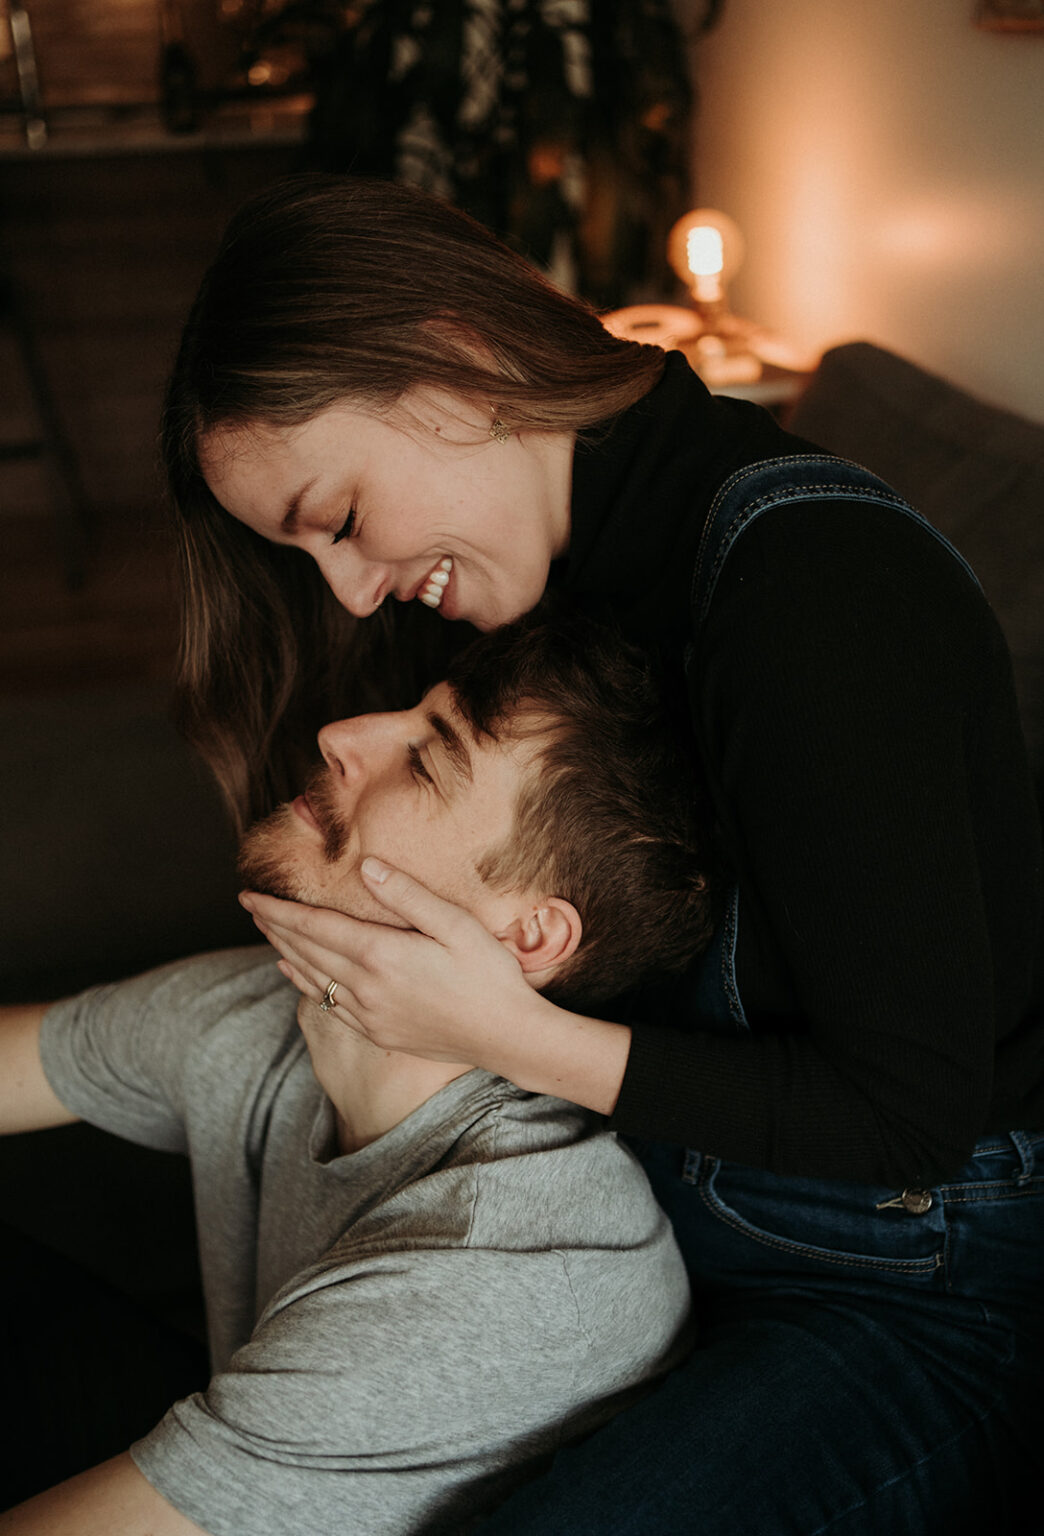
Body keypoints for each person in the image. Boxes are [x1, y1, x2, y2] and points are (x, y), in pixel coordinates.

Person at [163, 174, 1044, 1533]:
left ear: (458, 360)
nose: (347, 590)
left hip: (908, 1276)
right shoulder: (562, 566)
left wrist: (501, 1030)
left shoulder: (813, 596)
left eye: (338, 519)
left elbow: (905, 1117)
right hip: (657, 1210)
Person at [0, 617, 709, 1536]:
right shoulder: (274, 1017)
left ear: (526, 934)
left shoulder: (498, 1269)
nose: (343, 733)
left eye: (427, 759)